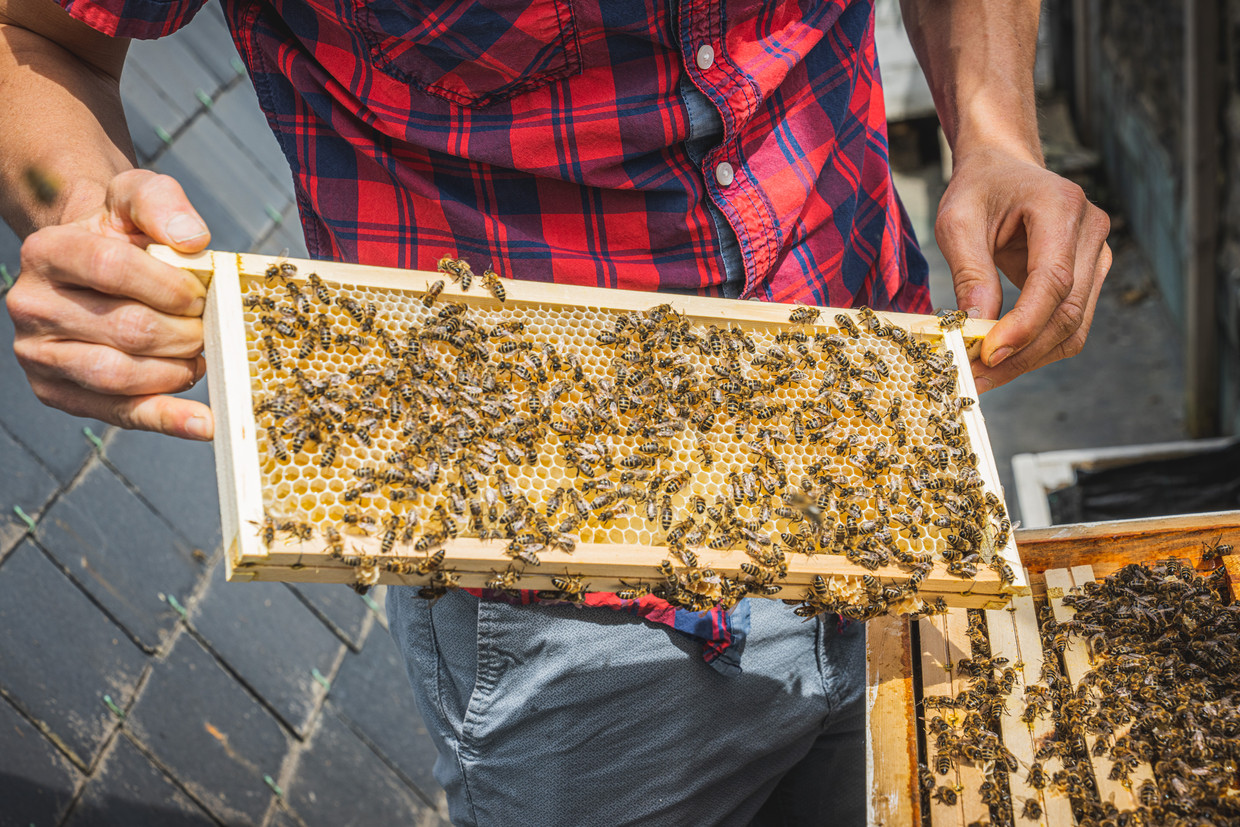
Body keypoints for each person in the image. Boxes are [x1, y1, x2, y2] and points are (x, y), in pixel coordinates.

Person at [0, 0, 1110, 823]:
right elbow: (36, 36)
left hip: (888, 454)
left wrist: (996, 129)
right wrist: (82, 209)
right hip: (555, 574)